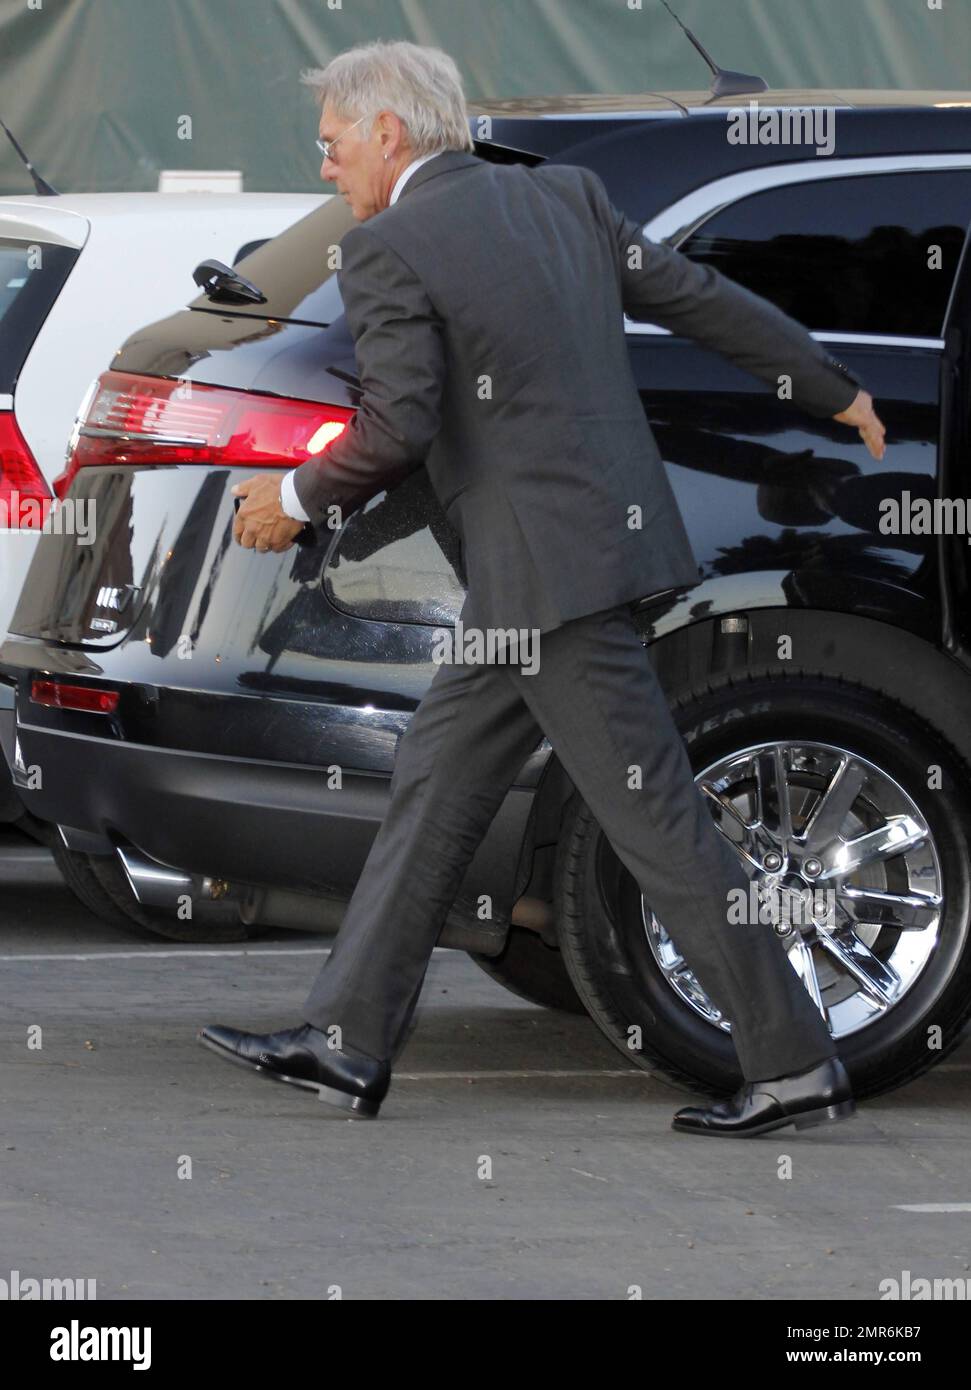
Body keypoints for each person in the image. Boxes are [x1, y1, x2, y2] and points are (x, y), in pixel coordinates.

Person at [202, 40, 886, 1135]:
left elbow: (398, 426)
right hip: (573, 568)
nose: (326, 169)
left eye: (331, 147)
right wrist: (826, 383)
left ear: (387, 132)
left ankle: (795, 1062)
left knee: (655, 817)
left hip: (549, 589)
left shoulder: (387, 247)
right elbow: (695, 295)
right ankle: (345, 1043)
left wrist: (298, 495)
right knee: (434, 784)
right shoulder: (564, 198)